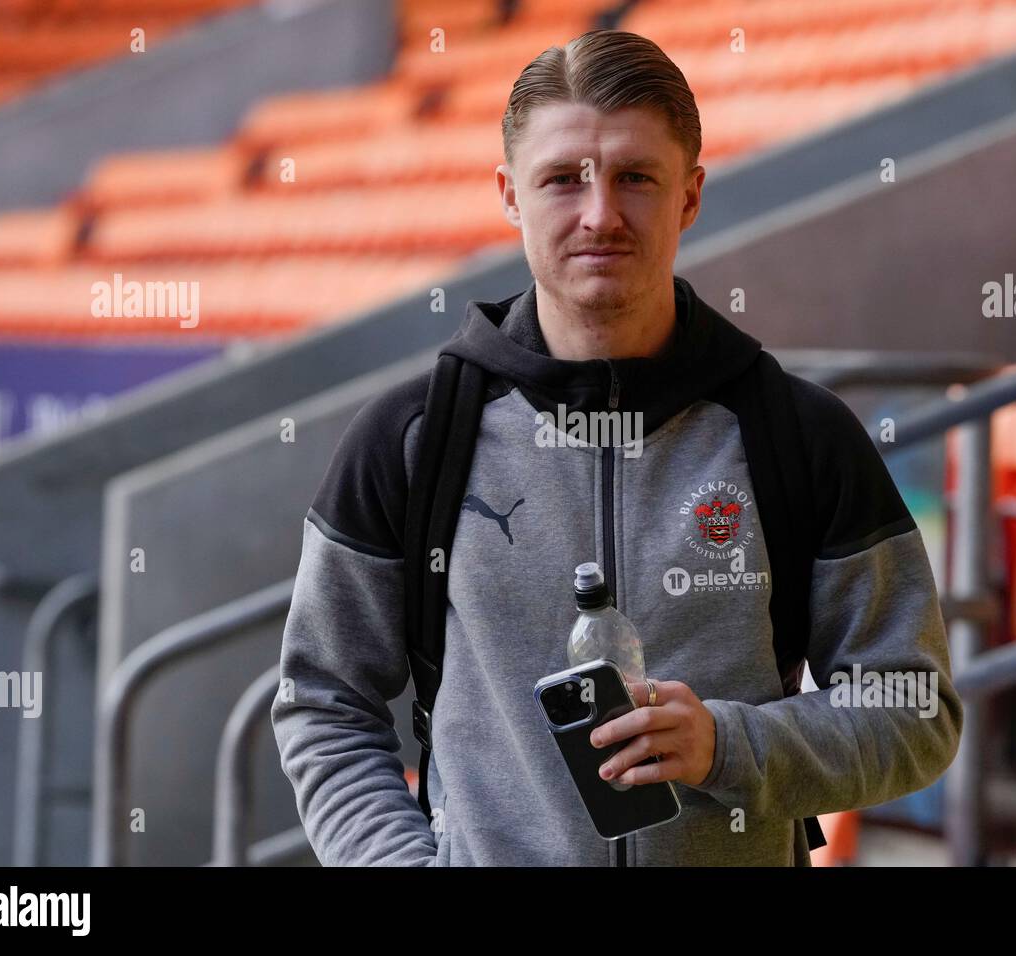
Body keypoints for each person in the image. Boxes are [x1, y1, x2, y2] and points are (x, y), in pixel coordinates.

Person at [270, 29, 962, 866]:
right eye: (563, 180)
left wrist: (726, 745)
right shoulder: (414, 441)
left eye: (636, 177)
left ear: (691, 194)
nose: (600, 213)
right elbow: (323, 703)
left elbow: (915, 711)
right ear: (510, 195)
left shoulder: (797, 434)